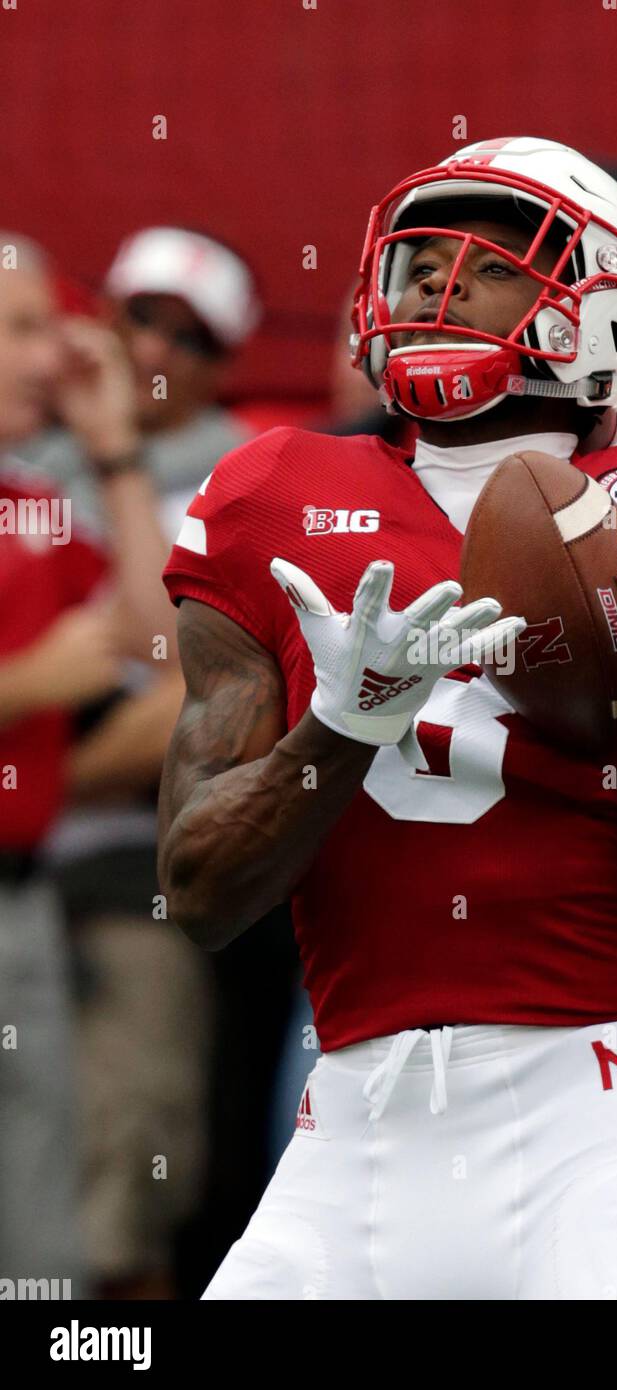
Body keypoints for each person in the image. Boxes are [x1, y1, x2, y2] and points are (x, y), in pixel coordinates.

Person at [158, 137, 617, 1301]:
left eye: (493, 261)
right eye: (417, 259)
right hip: (349, 1114)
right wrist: (344, 727)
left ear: (602, 308)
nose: (431, 284)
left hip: (590, 1119)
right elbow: (200, 893)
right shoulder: (269, 493)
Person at [13, 227, 262, 1298]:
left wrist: (112, 451)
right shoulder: (30, 476)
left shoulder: (241, 474)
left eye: (188, 334)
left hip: (104, 870)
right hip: (43, 858)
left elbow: (172, 677)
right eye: (136, 318)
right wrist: (30, 691)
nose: (153, 346)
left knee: (96, 1226)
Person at [0, 231, 166, 1291]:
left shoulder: (31, 504)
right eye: (21, 331)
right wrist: (24, 685)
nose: (51, 356)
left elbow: (159, 639)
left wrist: (113, 448)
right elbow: (58, 672)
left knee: (38, 1252)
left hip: (24, 901)